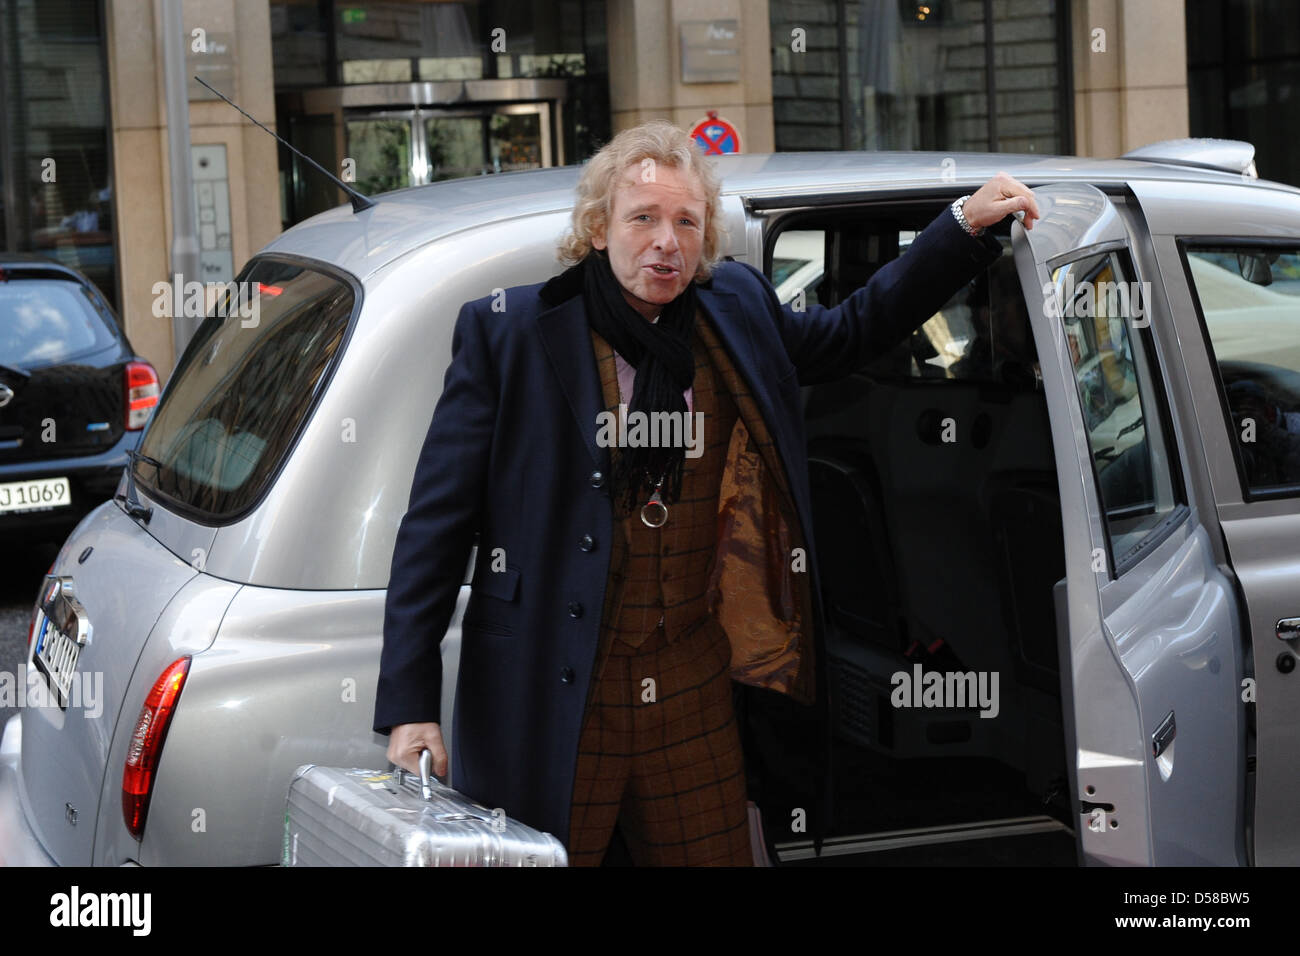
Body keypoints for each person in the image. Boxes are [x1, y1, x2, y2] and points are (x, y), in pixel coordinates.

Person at [373, 121, 1040, 866]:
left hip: (691, 687)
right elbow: (434, 528)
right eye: (644, 218)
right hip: (556, 692)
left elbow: (851, 332)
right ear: (598, 228)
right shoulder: (512, 334)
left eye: (686, 221)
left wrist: (959, 228)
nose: (667, 241)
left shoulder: (736, 310)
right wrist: (409, 705)